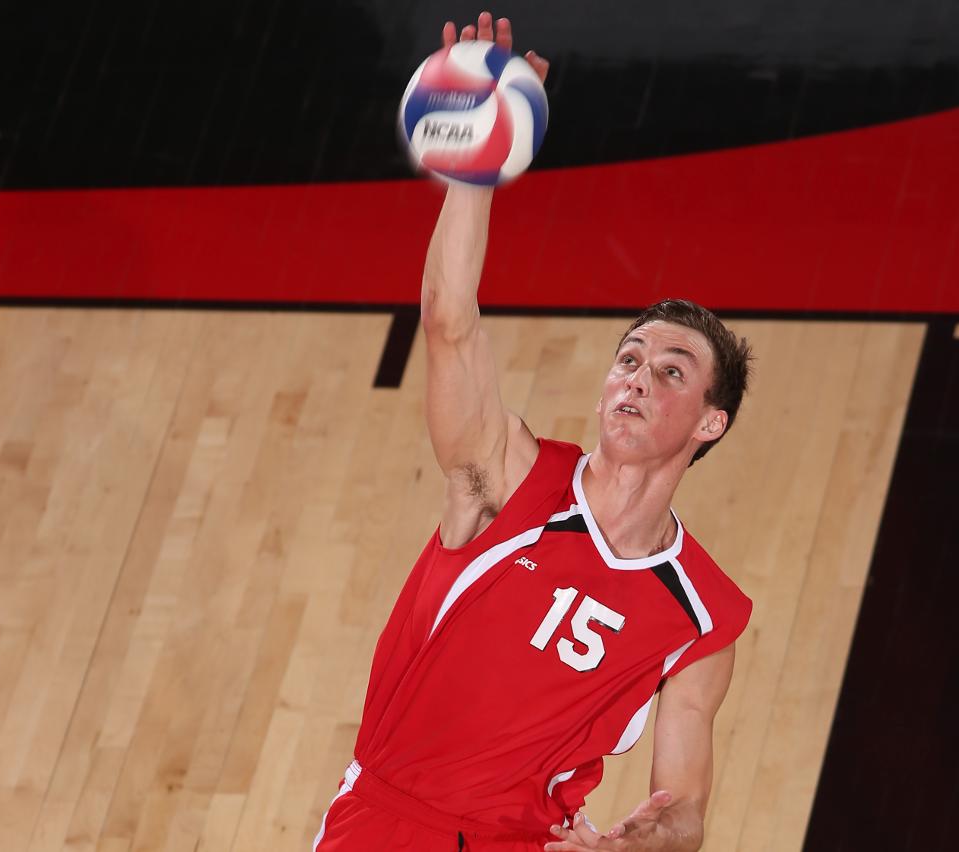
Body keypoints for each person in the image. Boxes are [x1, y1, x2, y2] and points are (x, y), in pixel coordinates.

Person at [314, 13, 753, 852]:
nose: (636, 378)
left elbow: (683, 809)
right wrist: (472, 171)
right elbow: (448, 322)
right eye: (629, 358)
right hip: (385, 825)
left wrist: (641, 842)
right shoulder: (505, 477)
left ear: (709, 421)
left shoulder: (703, 615)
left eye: (670, 371)